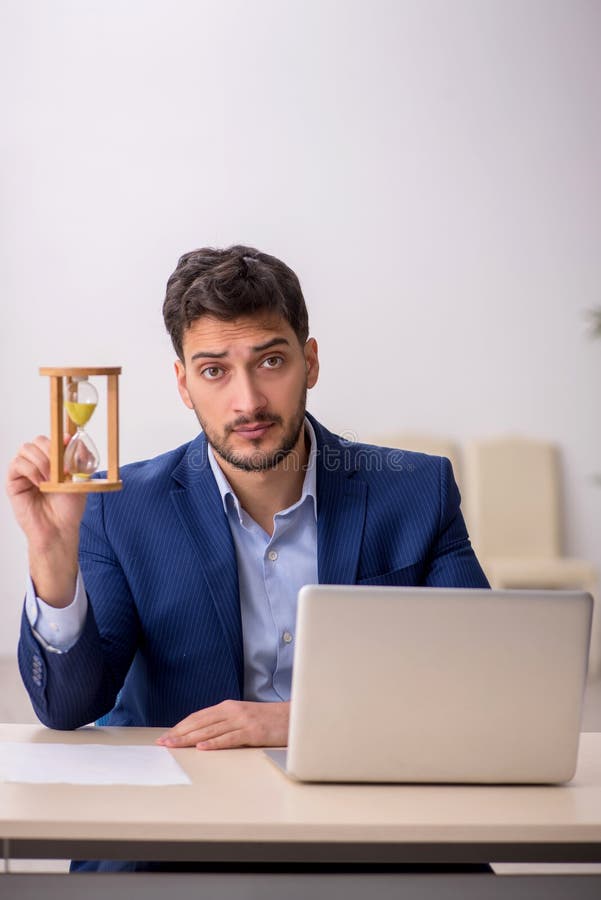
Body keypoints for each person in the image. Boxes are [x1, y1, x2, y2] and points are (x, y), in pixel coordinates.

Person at [6, 245, 490, 872]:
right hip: (178, 834)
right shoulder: (121, 507)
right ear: (182, 383)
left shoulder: (416, 491)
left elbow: (476, 692)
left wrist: (296, 722)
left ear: (309, 362)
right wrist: (51, 554)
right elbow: (68, 710)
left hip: (371, 816)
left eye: (270, 361)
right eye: (214, 371)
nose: (248, 402)